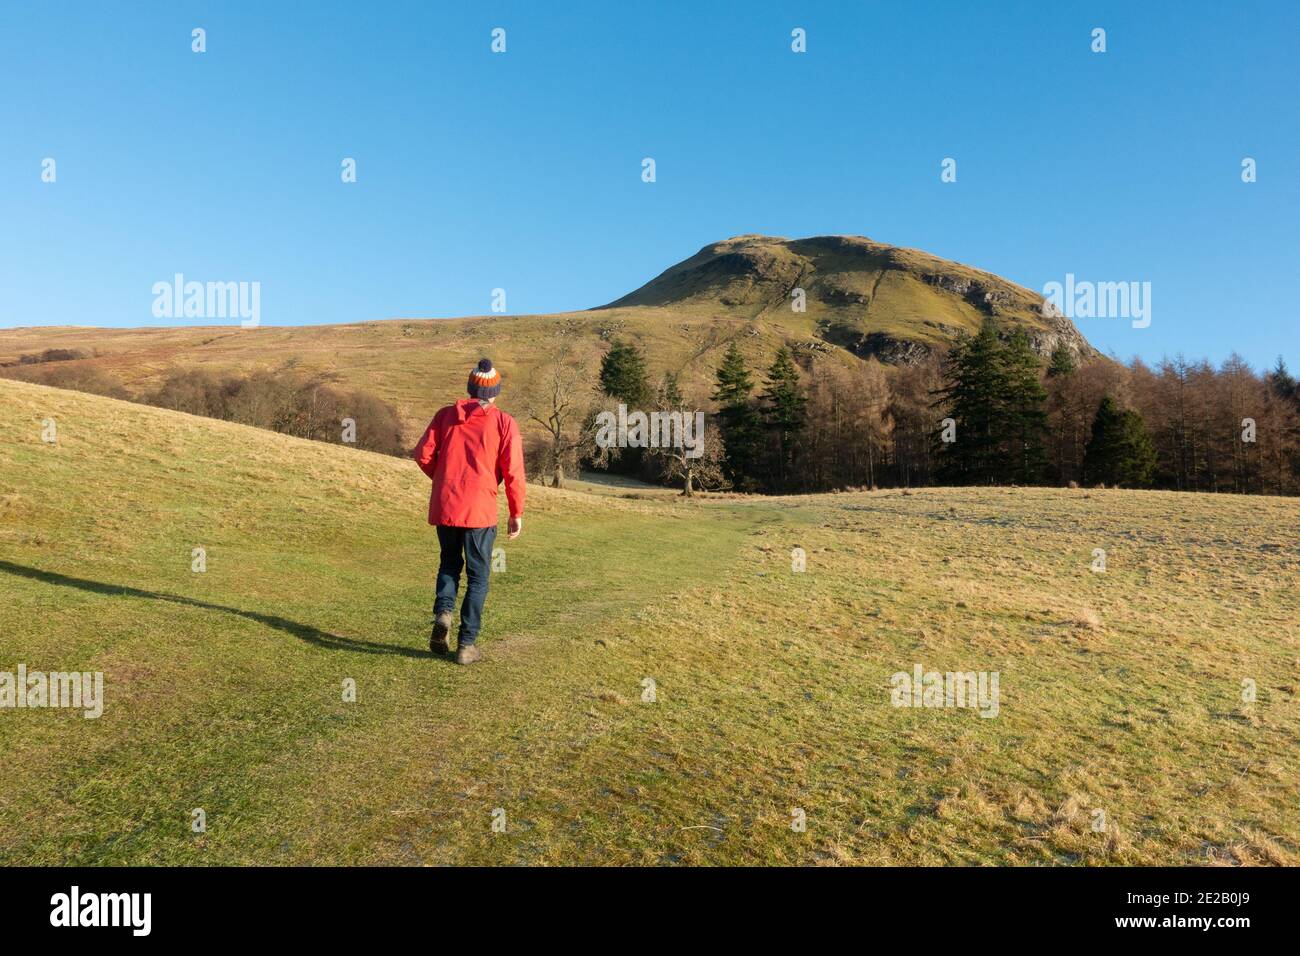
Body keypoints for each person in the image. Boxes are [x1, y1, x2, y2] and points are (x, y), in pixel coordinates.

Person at [413, 358, 525, 663]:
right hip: (480, 510)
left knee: (449, 564)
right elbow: (513, 471)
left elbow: (422, 455)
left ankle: (443, 615)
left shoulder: (445, 416)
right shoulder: (504, 423)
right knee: (478, 576)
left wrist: (443, 479)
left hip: (446, 506)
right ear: (495, 392)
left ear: (469, 388)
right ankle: (466, 644)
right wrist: (516, 512)